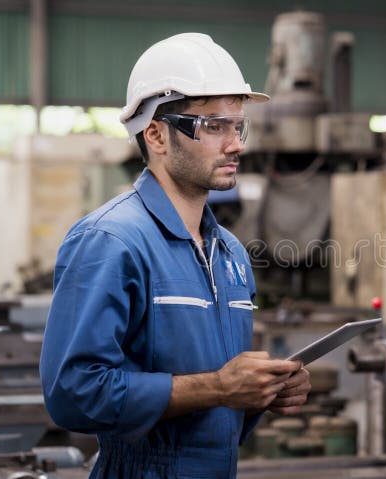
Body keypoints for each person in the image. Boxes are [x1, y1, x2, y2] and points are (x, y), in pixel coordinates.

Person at [39, 33, 311, 478]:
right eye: (213, 126)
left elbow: (221, 414)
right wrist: (218, 388)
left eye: (237, 126)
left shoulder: (231, 254)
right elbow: (73, 394)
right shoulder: (112, 241)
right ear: (156, 135)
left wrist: (264, 392)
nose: (236, 144)